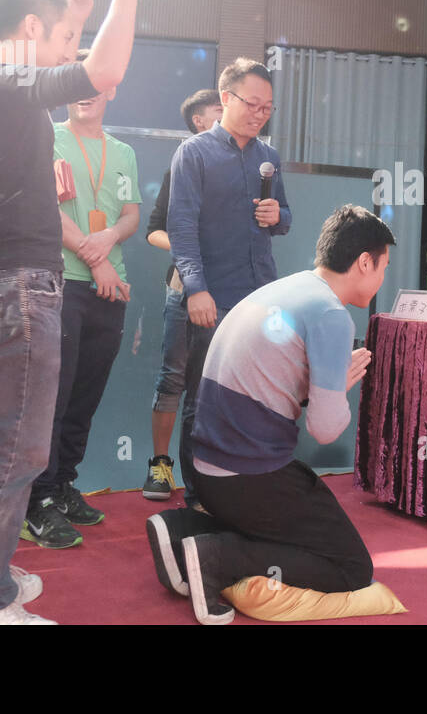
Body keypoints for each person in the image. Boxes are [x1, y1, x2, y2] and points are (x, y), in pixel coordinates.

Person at [0, 0, 149, 624]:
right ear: (30, 29)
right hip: (18, 284)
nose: (69, 50)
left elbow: (77, 57)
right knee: (18, 446)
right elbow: (103, 69)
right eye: (59, 35)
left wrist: (75, 13)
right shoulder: (5, 82)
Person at [147, 204, 391, 624]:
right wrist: (337, 391)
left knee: (296, 506)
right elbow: (326, 430)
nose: (382, 276)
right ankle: (215, 558)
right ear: (364, 262)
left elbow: (272, 391)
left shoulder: (292, 287)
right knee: (351, 566)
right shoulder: (331, 313)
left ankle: (182, 529)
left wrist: (321, 388)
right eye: (383, 265)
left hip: (206, 470)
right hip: (247, 476)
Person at [19, 51, 141, 549]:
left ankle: (65, 482)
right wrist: (95, 259)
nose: (88, 92)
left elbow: (132, 215)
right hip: (63, 282)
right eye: (80, 83)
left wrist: (108, 241)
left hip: (111, 288)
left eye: (98, 83)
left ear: (111, 88)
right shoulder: (46, 137)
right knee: (54, 395)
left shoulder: (125, 153)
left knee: (85, 397)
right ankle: (37, 499)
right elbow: (46, 208)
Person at [168, 59, 289, 514]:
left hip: (259, 297)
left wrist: (278, 216)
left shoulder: (268, 158)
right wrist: (196, 288)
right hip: (211, 298)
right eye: (252, 103)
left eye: (268, 107)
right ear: (226, 99)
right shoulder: (194, 153)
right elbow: (181, 226)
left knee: (256, 395)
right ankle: (199, 497)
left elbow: (286, 218)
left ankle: (246, 488)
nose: (260, 113)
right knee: (203, 398)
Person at [143, 88, 222, 501]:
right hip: (182, 289)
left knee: (211, 384)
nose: (231, 115)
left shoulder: (247, 166)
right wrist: (184, 249)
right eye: (220, 110)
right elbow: (153, 227)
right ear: (198, 121)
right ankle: (159, 468)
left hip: (229, 293)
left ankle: (205, 473)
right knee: (173, 377)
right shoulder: (183, 163)